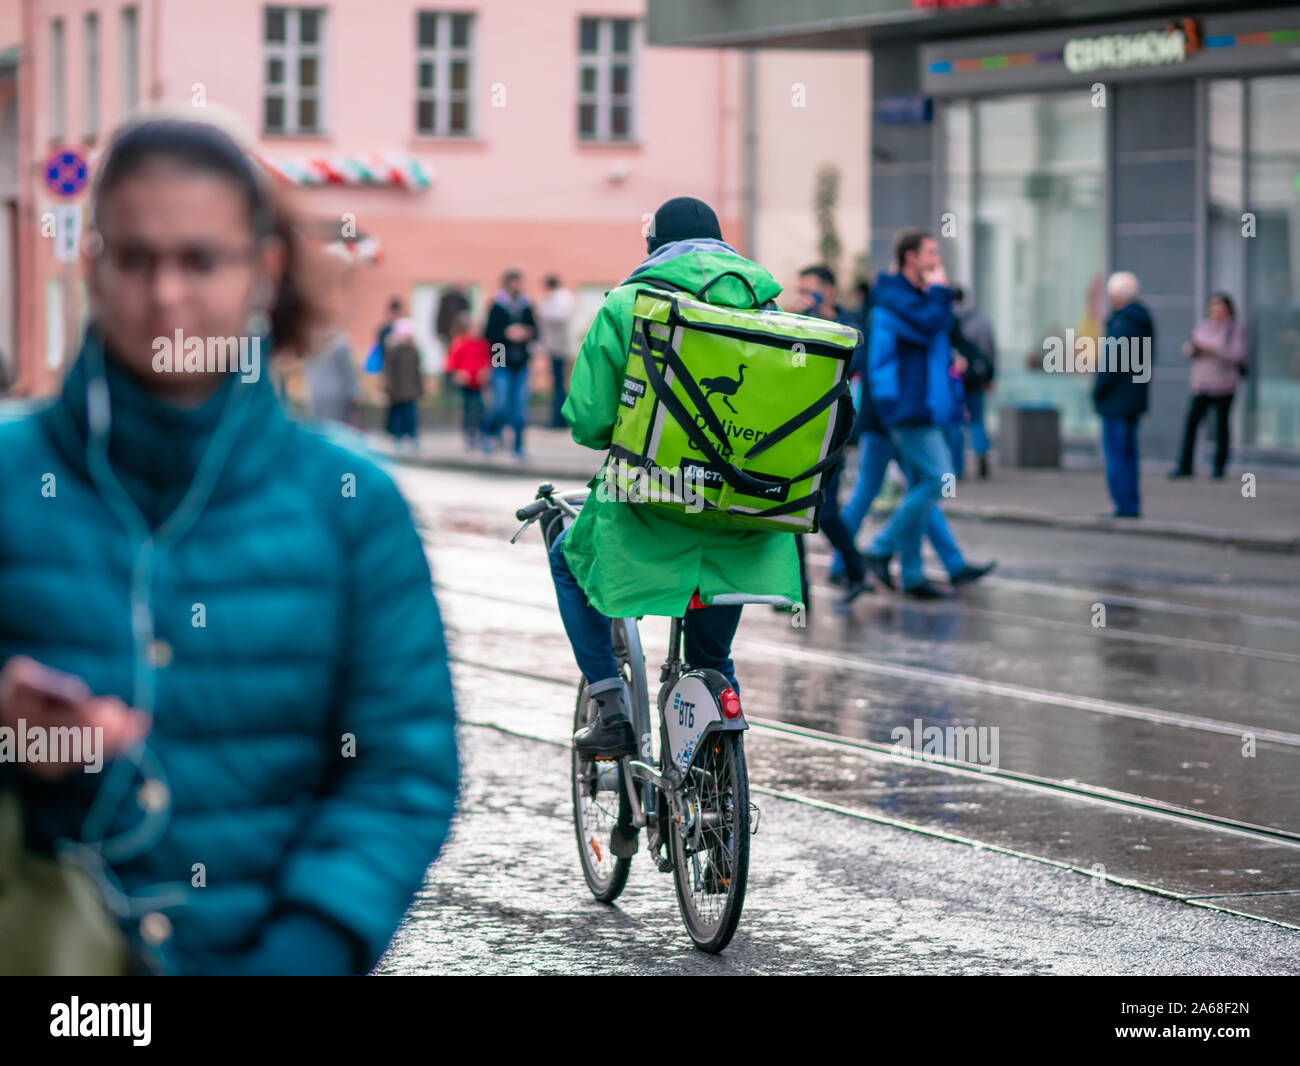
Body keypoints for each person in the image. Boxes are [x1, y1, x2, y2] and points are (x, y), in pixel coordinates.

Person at [0, 116, 458, 975]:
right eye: (135, 259)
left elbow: (401, 772)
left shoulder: (351, 506)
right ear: (93, 265)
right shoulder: (11, 476)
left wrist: (304, 953)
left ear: (264, 268)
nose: (166, 295)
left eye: (199, 259)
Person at [552, 196, 801, 758]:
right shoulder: (768, 308)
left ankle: (611, 706)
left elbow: (590, 421)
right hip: (745, 517)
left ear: (655, 248)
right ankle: (721, 784)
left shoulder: (626, 304)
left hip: (648, 513)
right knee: (712, 659)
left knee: (566, 559)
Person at [860, 228, 959, 600]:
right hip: (907, 406)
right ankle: (879, 548)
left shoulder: (915, 296)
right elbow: (930, 323)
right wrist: (938, 291)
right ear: (911, 257)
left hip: (921, 404)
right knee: (939, 479)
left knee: (919, 484)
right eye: (930, 252)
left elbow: (943, 325)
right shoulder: (898, 297)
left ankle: (913, 573)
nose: (936, 259)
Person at [787, 264, 872, 608]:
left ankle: (857, 568)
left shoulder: (849, 325)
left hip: (834, 432)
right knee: (791, 512)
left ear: (829, 290)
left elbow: (854, 363)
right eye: (802, 289)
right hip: (798, 431)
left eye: (811, 289)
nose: (806, 296)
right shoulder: (798, 323)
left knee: (826, 513)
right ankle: (798, 595)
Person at [1094, 271, 1155, 518]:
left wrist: (1097, 391)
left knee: (1117, 454)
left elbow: (1111, 364)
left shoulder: (1122, 323)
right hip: (1133, 397)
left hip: (1116, 400)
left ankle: (1124, 504)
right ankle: (1130, 501)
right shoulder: (1142, 320)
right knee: (1128, 453)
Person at [1171, 292, 1246, 480]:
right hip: (1202, 385)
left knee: (1221, 427)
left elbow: (1238, 355)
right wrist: (1196, 348)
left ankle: (1219, 467)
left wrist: (1213, 349)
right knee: (1191, 425)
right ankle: (1185, 465)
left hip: (1224, 386)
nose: (1216, 311)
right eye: (1213, 308)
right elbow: (1187, 348)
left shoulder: (1234, 330)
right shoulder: (1203, 326)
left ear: (1228, 310)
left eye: (1219, 308)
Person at [481, 268, 537, 460]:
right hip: (501, 355)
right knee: (501, 402)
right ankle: (490, 433)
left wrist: (526, 333)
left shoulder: (526, 305)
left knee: (519, 405)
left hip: (521, 358)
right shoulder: (497, 305)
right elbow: (488, 333)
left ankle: (518, 446)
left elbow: (535, 330)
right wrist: (507, 333)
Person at [950, 286, 995, 479]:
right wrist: (989, 376)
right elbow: (989, 351)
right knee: (977, 420)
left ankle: (957, 466)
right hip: (975, 379)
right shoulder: (980, 321)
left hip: (953, 379)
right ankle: (981, 451)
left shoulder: (945, 319)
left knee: (955, 423)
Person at [443, 310, 490, 450]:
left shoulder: (485, 343)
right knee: (469, 409)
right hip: (467, 383)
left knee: (482, 408)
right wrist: (459, 373)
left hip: (480, 383)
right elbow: (450, 363)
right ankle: (469, 435)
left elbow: (493, 359)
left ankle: (483, 434)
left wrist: (488, 371)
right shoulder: (460, 343)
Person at [538, 275, 576, 428]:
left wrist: (542, 312)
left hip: (561, 348)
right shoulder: (564, 297)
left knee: (560, 384)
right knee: (559, 384)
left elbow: (559, 318)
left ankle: (559, 419)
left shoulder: (560, 299)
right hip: (560, 347)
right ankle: (558, 418)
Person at [304, 323, 359, 425]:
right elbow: (347, 370)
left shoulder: (310, 340)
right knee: (336, 429)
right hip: (337, 394)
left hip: (315, 392)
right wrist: (355, 392)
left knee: (319, 428)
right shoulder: (340, 342)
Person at [383, 316, 424, 450]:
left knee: (411, 416)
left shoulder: (414, 351)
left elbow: (417, 372)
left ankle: (413, 437)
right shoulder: (394, 351)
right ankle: (397, 438)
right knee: (398, 416)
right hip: (397, 391)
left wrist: (420, 388)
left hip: (411, 390)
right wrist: (389, 386)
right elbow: (389, 371)